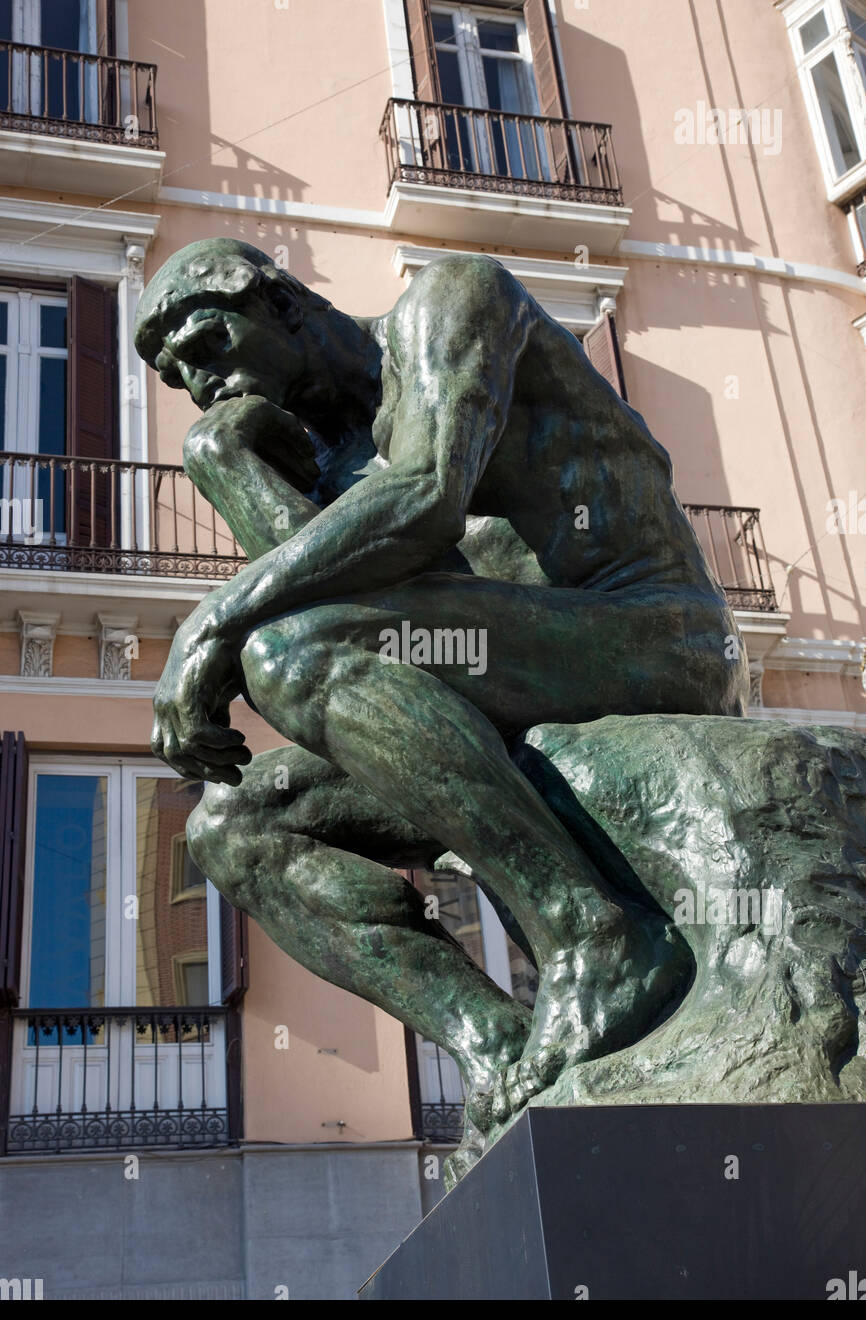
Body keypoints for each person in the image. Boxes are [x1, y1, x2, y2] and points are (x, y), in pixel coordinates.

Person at [135, 239, 747, 1163]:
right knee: (231, 829)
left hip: (642, 632)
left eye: (210, 344)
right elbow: (340, 590)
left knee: (290, 653)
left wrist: (211, 624)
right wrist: (224, 460)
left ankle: (595, 936)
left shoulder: (453, 303)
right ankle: (494, 1043)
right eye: (180, 376)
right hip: (496, 668)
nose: (203, 381)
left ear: (283, 302)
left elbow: (425, 498)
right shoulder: (329, 453)